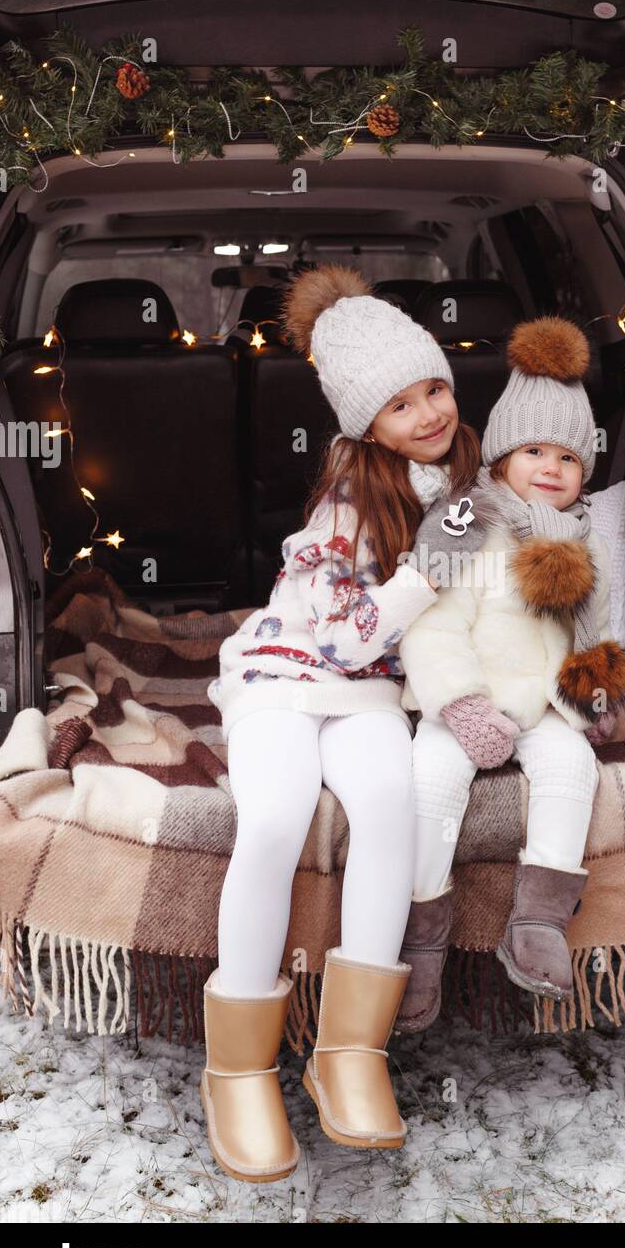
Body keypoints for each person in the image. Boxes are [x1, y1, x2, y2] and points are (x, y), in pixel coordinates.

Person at [202, 263, 480, 1180]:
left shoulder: (459, 485)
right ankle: (237, 1067)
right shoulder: (345, 505)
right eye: (400, 405)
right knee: (276, 817)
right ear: (366, 425)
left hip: (368, 697)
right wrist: (423, 572)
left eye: (434, 386)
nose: (428, 413)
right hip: (287, 675)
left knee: (389, 810)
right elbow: (354, 637)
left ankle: (349, 1050)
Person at [393, 316, 625, 1033]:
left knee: (570, 774)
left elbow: (591, 638)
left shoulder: (581, 542)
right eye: (533, 450)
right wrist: (462, 708)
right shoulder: (469, 527)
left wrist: (600, 702)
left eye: (567, 456)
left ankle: (537, 924)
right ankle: (418, 938)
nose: (551, 467)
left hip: (542, 705)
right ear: (500, 458)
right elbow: (431, 627)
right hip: (461, 701)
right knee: (429, 783)